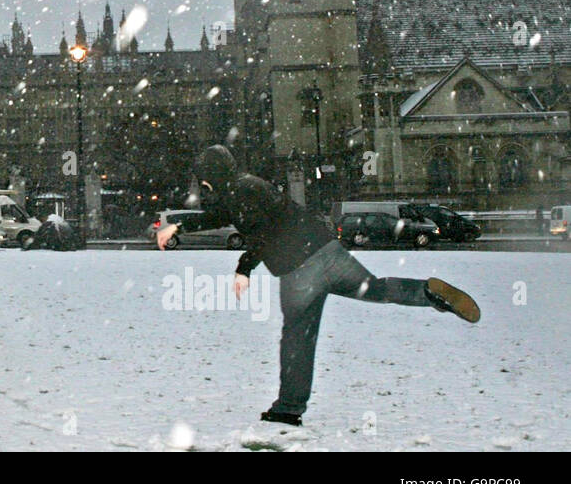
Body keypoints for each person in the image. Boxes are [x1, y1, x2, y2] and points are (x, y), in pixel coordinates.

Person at [155, 145, 481, 427]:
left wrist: (244, 269)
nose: (204, 186)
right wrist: (179, 225)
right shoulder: (246, 187)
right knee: (377, 289)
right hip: (328, 251)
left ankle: (288, 410)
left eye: (204, 179)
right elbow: (221, 217)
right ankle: (428, 293)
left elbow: (261, 234)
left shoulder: (239, 194)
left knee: (297, 338)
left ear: (211, 176)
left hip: (300, 270)